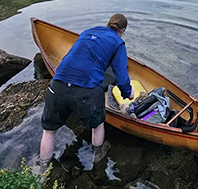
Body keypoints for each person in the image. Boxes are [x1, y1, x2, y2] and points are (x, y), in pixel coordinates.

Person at [38, 13, 133, 170]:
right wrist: (127, 93)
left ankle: (42, 168)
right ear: (123, 30)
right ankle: (98, 154)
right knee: (97, 124)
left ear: (107, 23)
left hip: (57, 85)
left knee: (48, 131)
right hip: (86, 91)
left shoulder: (88, 31)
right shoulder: (118, 43)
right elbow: (122, 77)